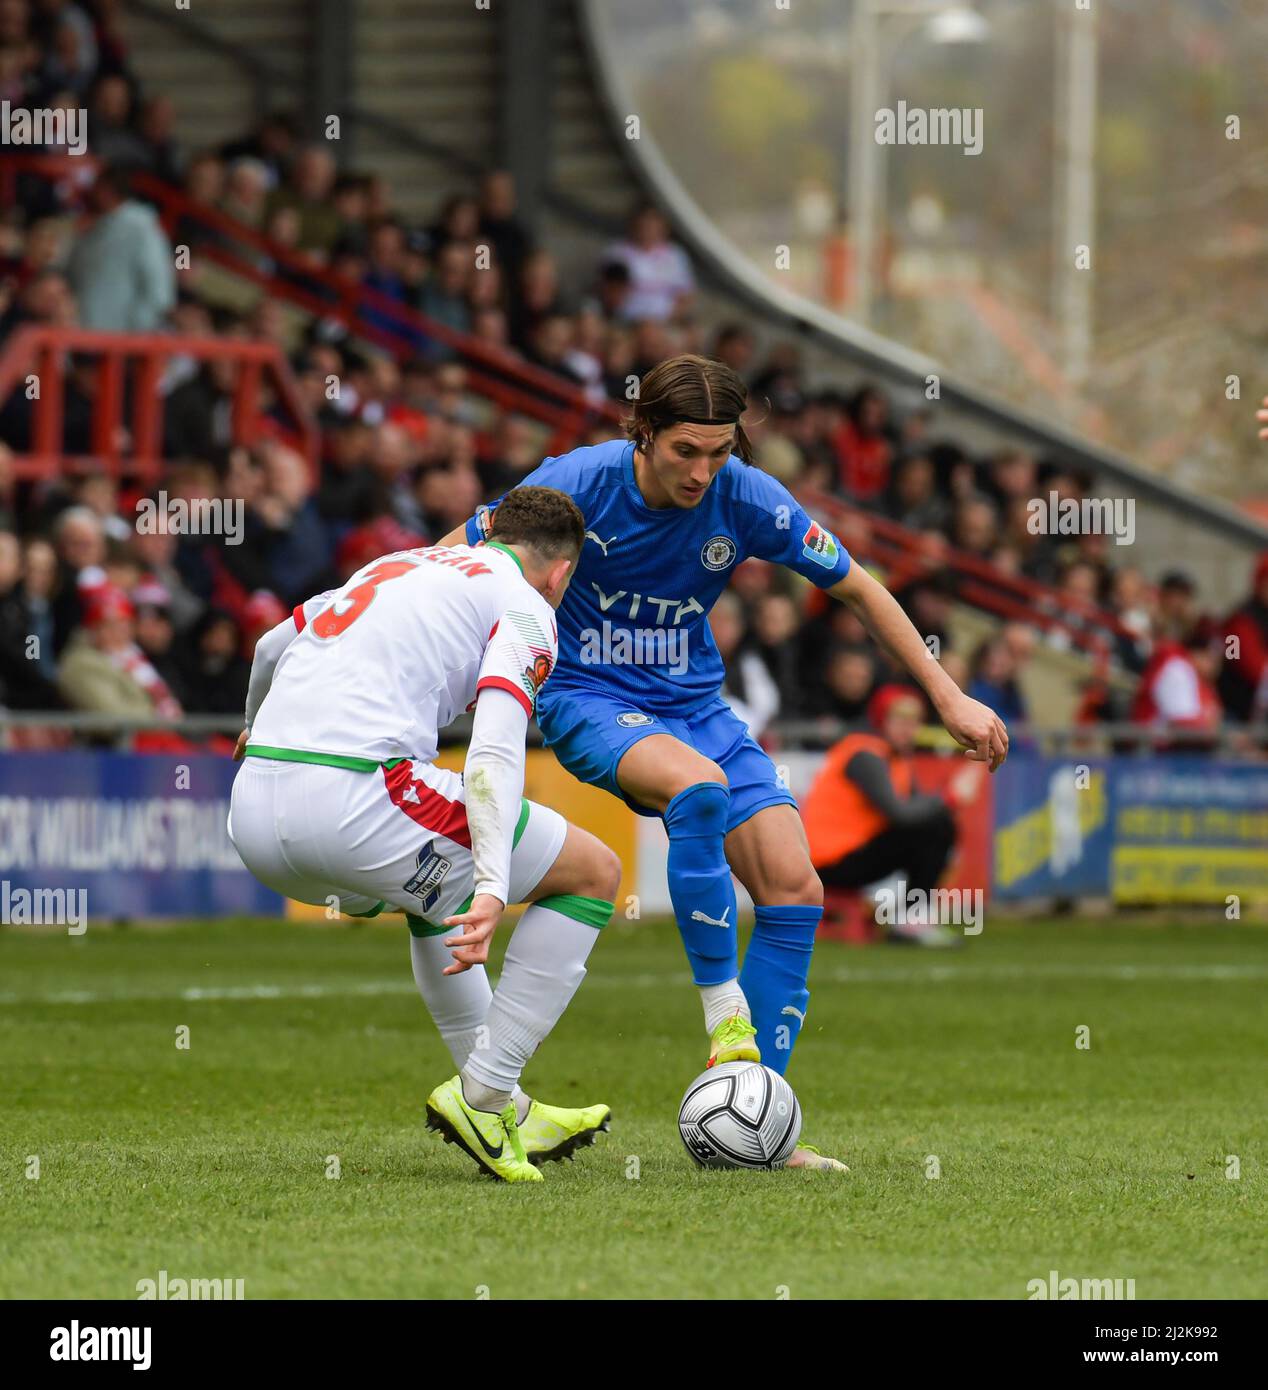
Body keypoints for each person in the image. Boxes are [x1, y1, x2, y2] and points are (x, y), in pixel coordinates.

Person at [440, 354, 1008, 1171]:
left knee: (795, 888)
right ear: (643, 436)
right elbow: (447, 557)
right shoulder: (579, 482)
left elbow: (860, 586)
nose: (704, 472)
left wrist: (949, 696)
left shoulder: (747, 496)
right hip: (588, 695)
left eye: (720, 450)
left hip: (698, 706)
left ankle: (753, 1122)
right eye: (685, 453)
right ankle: (725, 1020)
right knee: (699, 792)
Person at [229, 487, 618, 1184]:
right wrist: (496, 886)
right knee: (593, 873)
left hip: (252, 812)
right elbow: (493, 754)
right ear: (561, 574)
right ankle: (487, 1094)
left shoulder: (398, 563)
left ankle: (511, 1109)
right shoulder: (528, 606)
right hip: (357, 796)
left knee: (433, 896)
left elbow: (267, 648)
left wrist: (253, 728)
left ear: (489, 530)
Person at [801, 685, 966, 947]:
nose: (908, 729)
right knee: (935, 826)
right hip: (829, 863)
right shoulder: (865, 753)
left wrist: (942, 804)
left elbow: (916, 808)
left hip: (848, 856)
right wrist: (949, 798)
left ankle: (913, 917)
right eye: (900, 720)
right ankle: (913, 919)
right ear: (881, 720)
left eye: (913, 722)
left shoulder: (894, 756)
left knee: (937, 825)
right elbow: (900, 814)